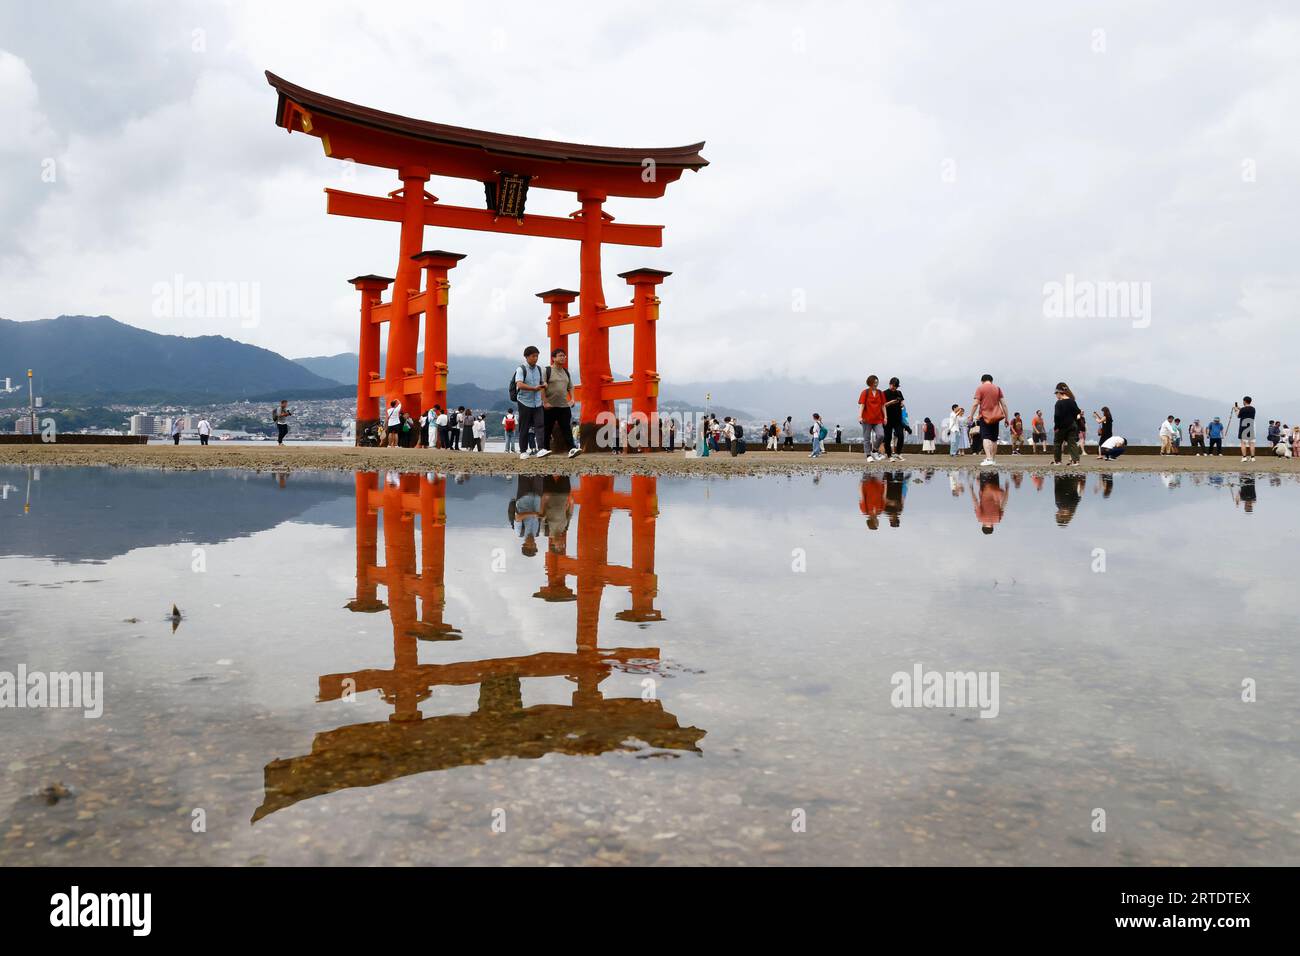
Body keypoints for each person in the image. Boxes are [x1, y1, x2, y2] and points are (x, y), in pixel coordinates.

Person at [541, 347, 580, 458]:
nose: (563, 358)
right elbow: (542, 387)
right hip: (549, 406)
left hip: (563, 406)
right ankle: (545, 449)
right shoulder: (546, 370)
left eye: (564, 356)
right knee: (547, 429)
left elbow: (571, 386)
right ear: (553, 358)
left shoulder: (566, 372)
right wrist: (545, 402)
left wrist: (572, 399)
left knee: (566, 428)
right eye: (560, 356)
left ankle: (572, 449)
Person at [513, 346, 549, 459]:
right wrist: (534, 388)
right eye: (533, 356)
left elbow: (541, 382)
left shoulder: (539, 369)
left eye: (537, 356)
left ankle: (541, 449)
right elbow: (519, 384)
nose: (536, 358)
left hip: (537, 402)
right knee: (524, 427)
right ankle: (523, 451)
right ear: (526, 357)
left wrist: (544, 384)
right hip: (524, 402)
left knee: (540, 425)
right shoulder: (521, 369)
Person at [972, 373, 1007, 467]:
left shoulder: (980, 388)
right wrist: (1007, 418)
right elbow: (1004, 404)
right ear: (991, 381)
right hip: (996, 417)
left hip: (985, 417)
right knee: (994, 439)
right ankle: (993, 459)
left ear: (982, 381)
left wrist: (971, 415)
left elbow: (975, 404)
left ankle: (988, 458)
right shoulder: (997, 388)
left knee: (986, 437)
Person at [1052, 382, 1082, 466]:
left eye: (1056, 394)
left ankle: (1058, 461)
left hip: (1061, 426)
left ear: (1059, 392)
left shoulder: (1059, 403)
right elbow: (1078, 412)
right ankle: (1076, 461)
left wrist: (1056, 427)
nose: (1056, 396)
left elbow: (1057, 416)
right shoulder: (1072, 401)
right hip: (1072, 425)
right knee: (1072, 443)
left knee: (1057, 443)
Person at [858, 375, 886, 461]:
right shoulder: (865, 392)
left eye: (877, 382)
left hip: (878, 419)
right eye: (874, 382)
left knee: (881, 435)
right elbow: (862, 405)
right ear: (870, 383)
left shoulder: (880, 393)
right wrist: (860, 416)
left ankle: (874, 450)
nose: (876, 384)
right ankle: (868, 455)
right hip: (867, 419)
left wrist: (885, 417)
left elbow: (883, 406)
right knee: (867, 438)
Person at [882, 376, 906, 461]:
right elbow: (883, 405)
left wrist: (902, 404)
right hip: (887, 419)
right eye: (893, 386)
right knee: (887, 437)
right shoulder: (884, 393)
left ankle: (898, 453)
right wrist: (891, 402)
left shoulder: (899, 392)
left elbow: (902, 402)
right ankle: (889, 455)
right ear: (890, 384)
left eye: (896, 386)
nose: (894, 388)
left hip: (898, 419)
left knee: (901, 436)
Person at [1234, 396, 1257, 461]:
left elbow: (1238, 415)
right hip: (1251, 425)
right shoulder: (1253, 409)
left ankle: (1244, 457)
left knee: (1243, 443)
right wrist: (1239, 408)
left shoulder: (1242, 409)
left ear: (1244, 401)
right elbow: (1246, 411)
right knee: (1251, 443)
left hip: (1244, 425)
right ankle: (1252, 457)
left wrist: (1236, 410)